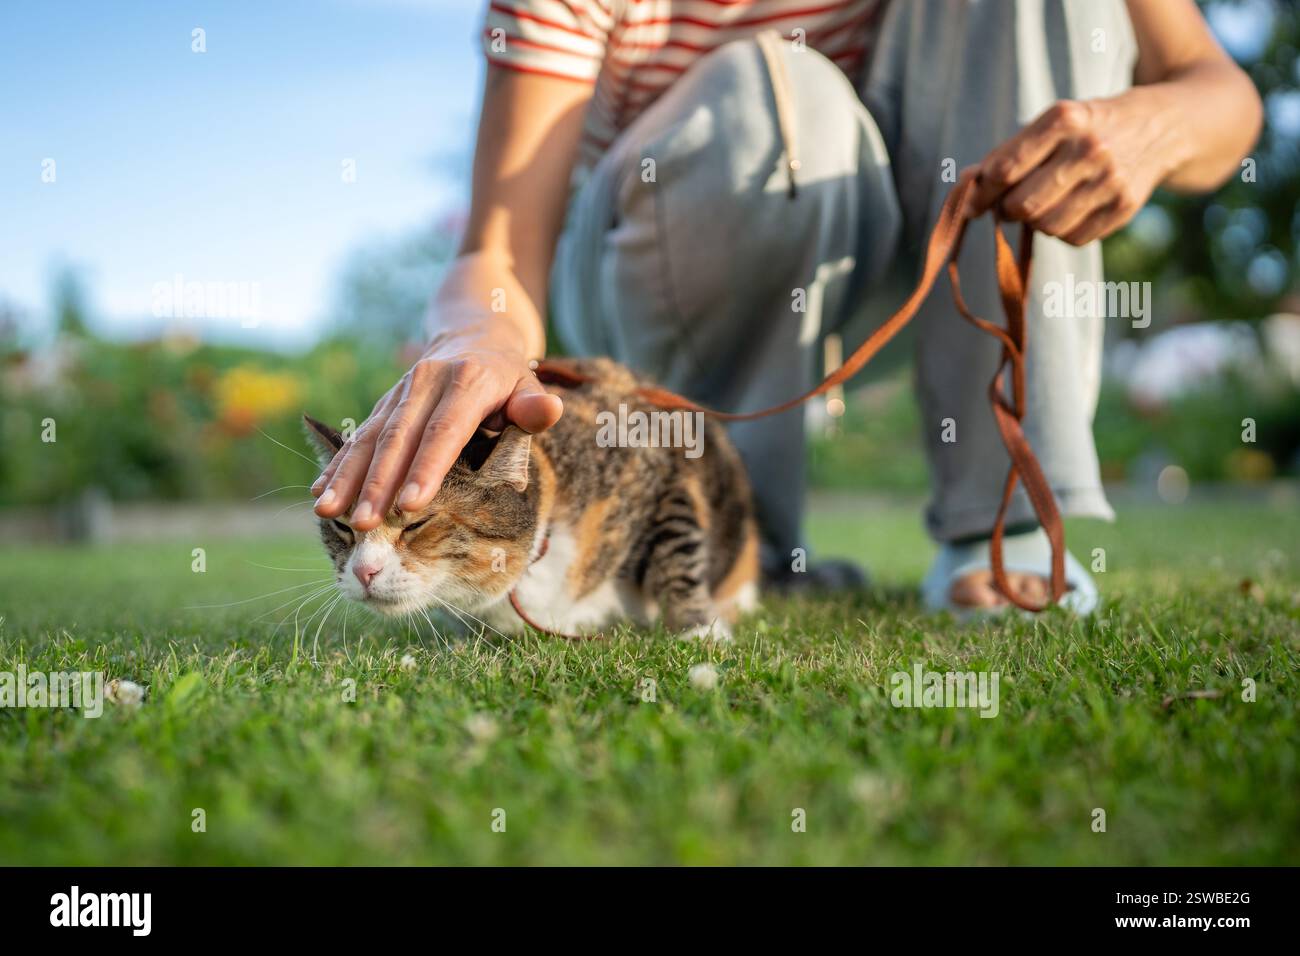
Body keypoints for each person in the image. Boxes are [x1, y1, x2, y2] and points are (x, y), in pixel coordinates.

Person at [312, 0, 1260, 612]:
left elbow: (1225, 99)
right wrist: (477, 331)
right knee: (778, 98)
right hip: (637, 306)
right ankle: (732, 544)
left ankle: (995, 524)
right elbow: (498, 246)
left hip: (895, 266)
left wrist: (1161, 123)